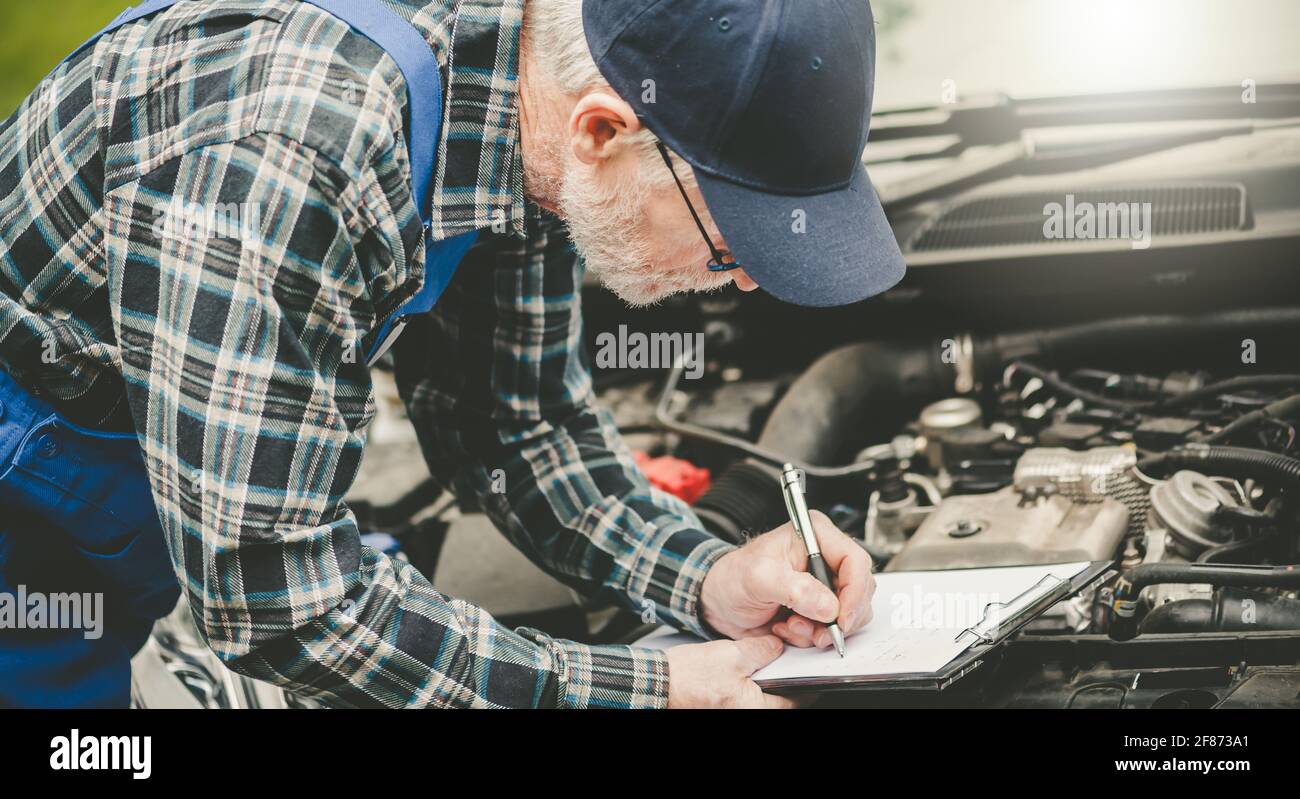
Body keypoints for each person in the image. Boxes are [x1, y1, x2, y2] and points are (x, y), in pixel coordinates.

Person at [0, 0, 905, 708]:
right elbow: (281, 602)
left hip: (144, 500)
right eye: (726, 238)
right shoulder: (291, 159)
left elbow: (518, 428)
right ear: (603, 131)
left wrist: (707, 575)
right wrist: (651, 687)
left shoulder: (529, 108)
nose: (744, 279)